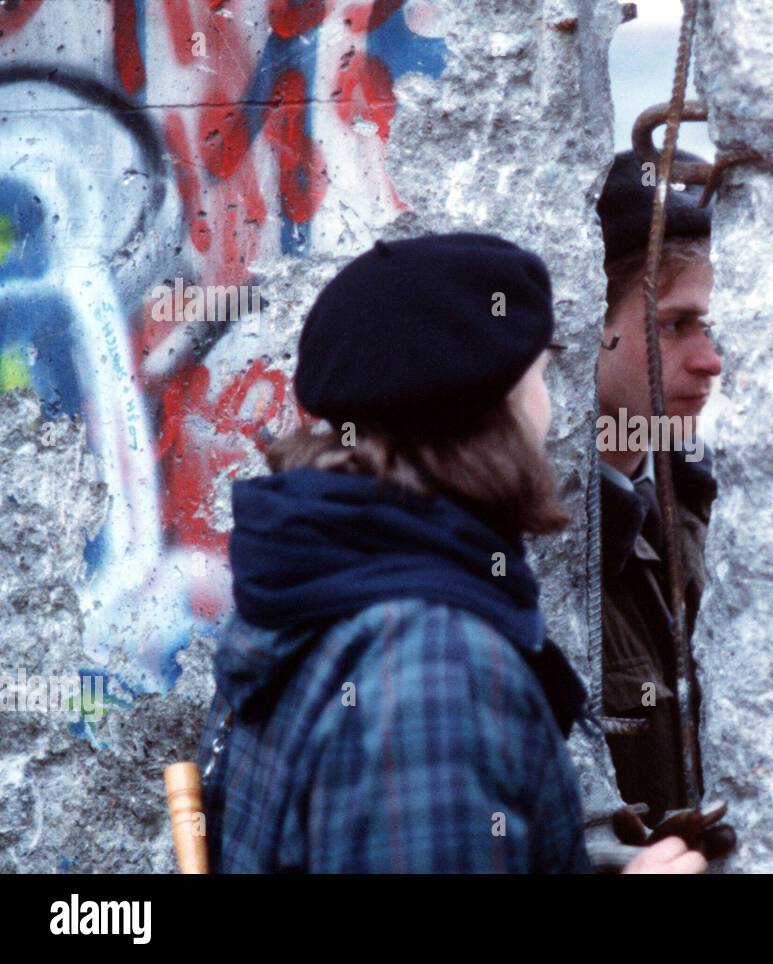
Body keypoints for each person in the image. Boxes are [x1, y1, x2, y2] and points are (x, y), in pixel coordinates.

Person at [196, 233, 704, 874]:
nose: (550, 412)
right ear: (496, 403)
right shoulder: (432, 665)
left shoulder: (317, 585)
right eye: (540, 379)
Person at [595, 151, 724, 826]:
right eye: (675, 325)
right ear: (589, 325)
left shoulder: (709, 512)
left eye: (713, 327)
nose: (711, 362)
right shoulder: (539, 551)